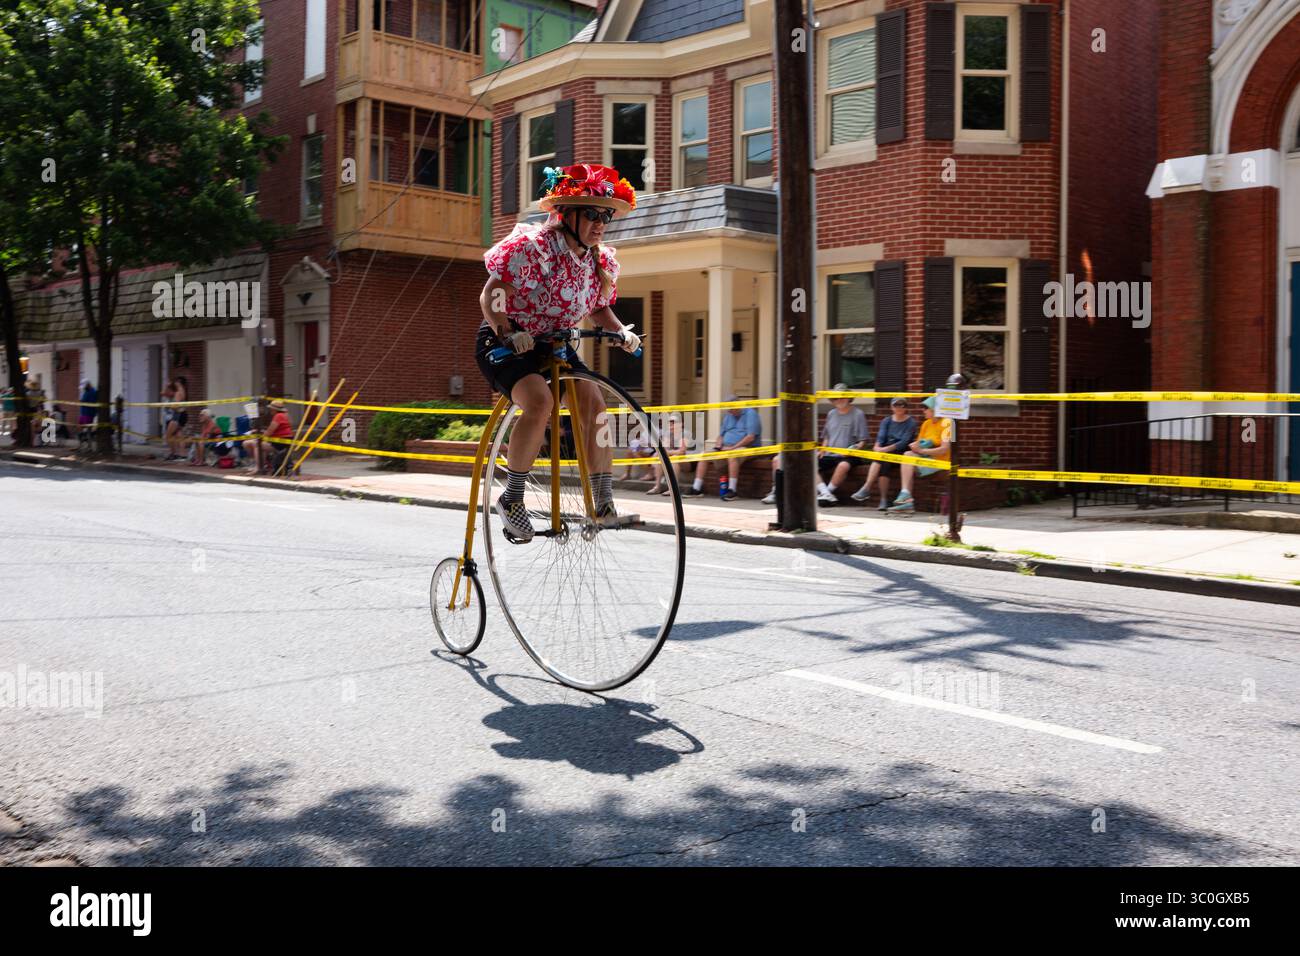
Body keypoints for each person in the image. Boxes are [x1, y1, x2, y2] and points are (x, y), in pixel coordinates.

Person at [475, 163, 641, 543]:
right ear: (567, 215)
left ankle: (601, 502)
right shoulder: (534, 250)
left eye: (606, 216)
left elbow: (598, 306)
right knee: (539, 401)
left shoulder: (598, 260)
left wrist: (620, 331)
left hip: (557, 346)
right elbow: (491, 295)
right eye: (593, 215)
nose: (601, 224)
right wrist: (508, 330)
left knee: (594, 403)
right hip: (507, 343)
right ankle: (512, 498)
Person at [683, 396, 760, 500]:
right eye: (728, 409)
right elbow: (721, 435)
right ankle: (696, 488)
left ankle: (732, 490)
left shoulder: (751, 414)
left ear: (738, 405)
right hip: (726, 447)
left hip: (746, 447)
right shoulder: (728, 416)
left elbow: (750, 437)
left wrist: (732, 448)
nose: (730, 411)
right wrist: (718, 445)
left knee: (732, 456)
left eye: (731, 409)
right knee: (704, 454)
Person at [850, 397, 919, 510]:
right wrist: (877, 446)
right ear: (892, 407)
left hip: (901, 453)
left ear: (906, 407)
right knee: (883, 464)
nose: (899, 407)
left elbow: (904, 442)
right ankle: (882, 500)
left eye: (902, 405)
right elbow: (881, 437)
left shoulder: (911, 422)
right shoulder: (886, 421)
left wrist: (884, 450)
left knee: (881, 458)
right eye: (896, 405)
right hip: (885, 453)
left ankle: (867, 488)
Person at [889, 395, 953, 514]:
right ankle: (906, 498)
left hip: (941, 461)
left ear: (934, 409)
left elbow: (944, 449)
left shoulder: (948, 423)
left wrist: (922, 451)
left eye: (925, 407)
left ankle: (906, 499)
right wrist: (916, 446)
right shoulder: (926, 424)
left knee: (908, 458)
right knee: (908, 454)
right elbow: (919, 444)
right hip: (926, 458)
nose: (923, 410)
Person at [814, 383, 870, 506]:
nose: (839, 400)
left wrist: (853, 450)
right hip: (830, 454)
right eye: (836, 398)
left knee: (843, 466)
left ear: (849, 397)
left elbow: (863, 441)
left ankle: (828, 492)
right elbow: (827, 436)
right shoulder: (831, 414)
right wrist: (822, 450)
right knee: (809, 465)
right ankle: (825, 493)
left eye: (842, 396)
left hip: (849, 455)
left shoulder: (858, 414)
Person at [244, 399, 294, 474]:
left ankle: (259, 468)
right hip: (279, 441)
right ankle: (260, 464)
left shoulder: (278, 416)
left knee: (257, 444)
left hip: (279, 444)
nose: (270, 410)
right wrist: (260, 432)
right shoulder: (284, 415)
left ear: (274, 409)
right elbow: (274, 430)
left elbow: (269, 432)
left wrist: (259, 435)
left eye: (271, 408)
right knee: (247, 443)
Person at [646, 413, 687, 496]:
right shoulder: (668, 434)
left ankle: (673, 489)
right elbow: (663, 449)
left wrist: (668, 453)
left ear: (681, 424)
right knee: (660, 459)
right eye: (670, 423)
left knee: (674, 459)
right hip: (674, 458)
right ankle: (657, 487)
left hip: (689, 462)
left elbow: (682, 452)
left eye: (674, 423)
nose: (671, 425)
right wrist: (661, 453)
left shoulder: (685, 434)